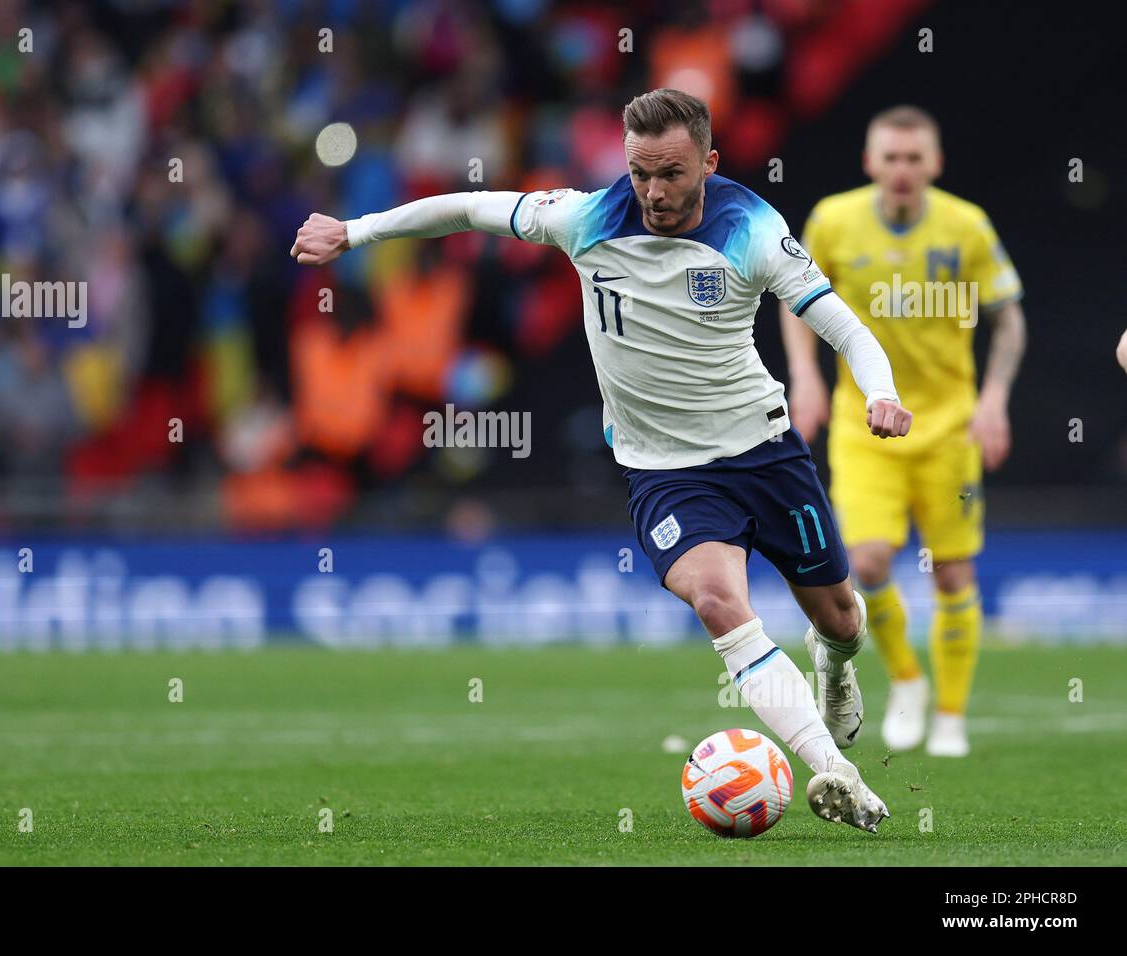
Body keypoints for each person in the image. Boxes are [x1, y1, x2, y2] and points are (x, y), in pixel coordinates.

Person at [292, 88, 912, 833]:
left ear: (709, 163)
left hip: (763, 450)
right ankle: (831, 770)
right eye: (640, 171)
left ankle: (835, 666)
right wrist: (353, 232)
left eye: (673, 174)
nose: (653, 191)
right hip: (665, 471)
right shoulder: (584, 217)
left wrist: (881, 393)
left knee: (843, 620)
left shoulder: (753, 228)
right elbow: (465, 208)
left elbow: (846, 328)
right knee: (719, 602)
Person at [780, 105, 1026, 757]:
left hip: (948, 428)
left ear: (935, 164)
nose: (902, 170)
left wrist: (995, 399)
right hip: (865, 424)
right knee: (864, 561)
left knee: (952, 573)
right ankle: (906, 680)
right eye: (890, 157)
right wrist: (803, 376)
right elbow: (795, 301)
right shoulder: (832, 220)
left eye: (914, 158)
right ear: (869, 162)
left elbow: (1009, 318)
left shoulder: (966, 226)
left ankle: (949, 716)